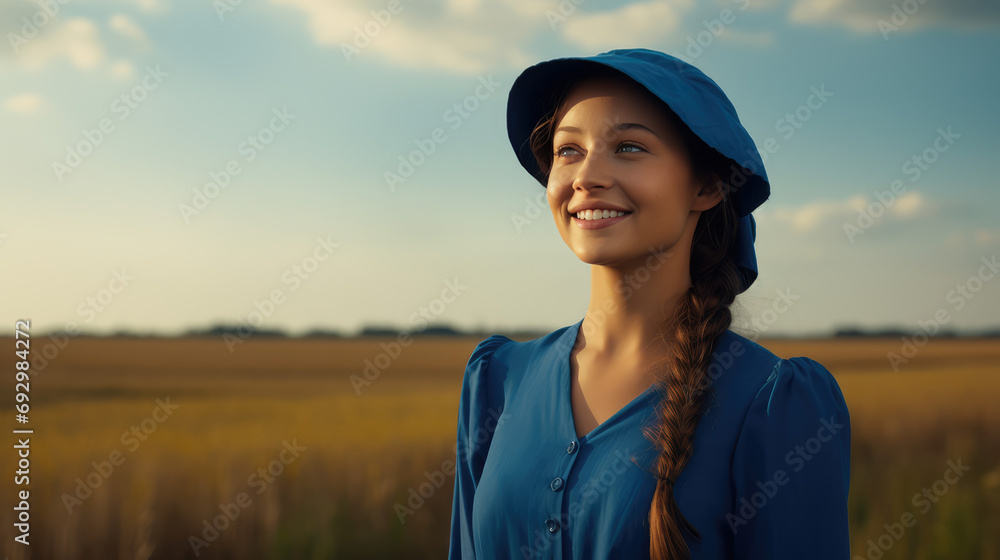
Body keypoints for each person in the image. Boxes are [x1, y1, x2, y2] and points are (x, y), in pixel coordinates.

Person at [448, 48, 851, 560]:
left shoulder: (776, 406)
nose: (585, 176)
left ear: (706, 184)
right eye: (568, 150)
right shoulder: (496, 381)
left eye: (630, 147)